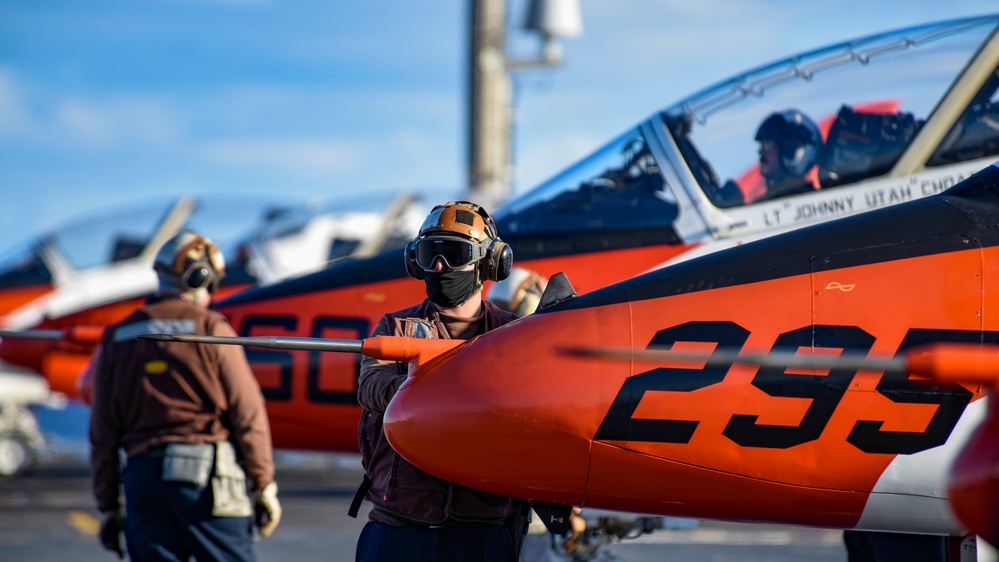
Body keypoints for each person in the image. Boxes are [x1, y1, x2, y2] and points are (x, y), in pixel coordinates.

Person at [88, 229, 281, 561]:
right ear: (198, 279)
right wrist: (263, 485)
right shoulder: (211, 329)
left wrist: (108, 506)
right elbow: (247, 412)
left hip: (142, 481)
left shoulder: (117, 336)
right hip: (206, 480)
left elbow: (103, 431)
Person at [353, 200, 530, 562]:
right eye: (428, 252)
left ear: (488, 262)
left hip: (480, 530)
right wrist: (439, 388)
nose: (438, 265)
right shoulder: (395, 327)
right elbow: (370, 387)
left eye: (453, 252)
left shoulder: (515, 334)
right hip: (399, 524)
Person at [755, 108, 823, 201]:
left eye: (768, 144)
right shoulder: (761, 208)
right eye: (762, 145)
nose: (761, 151)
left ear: (789, 151)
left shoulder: (813, 202)